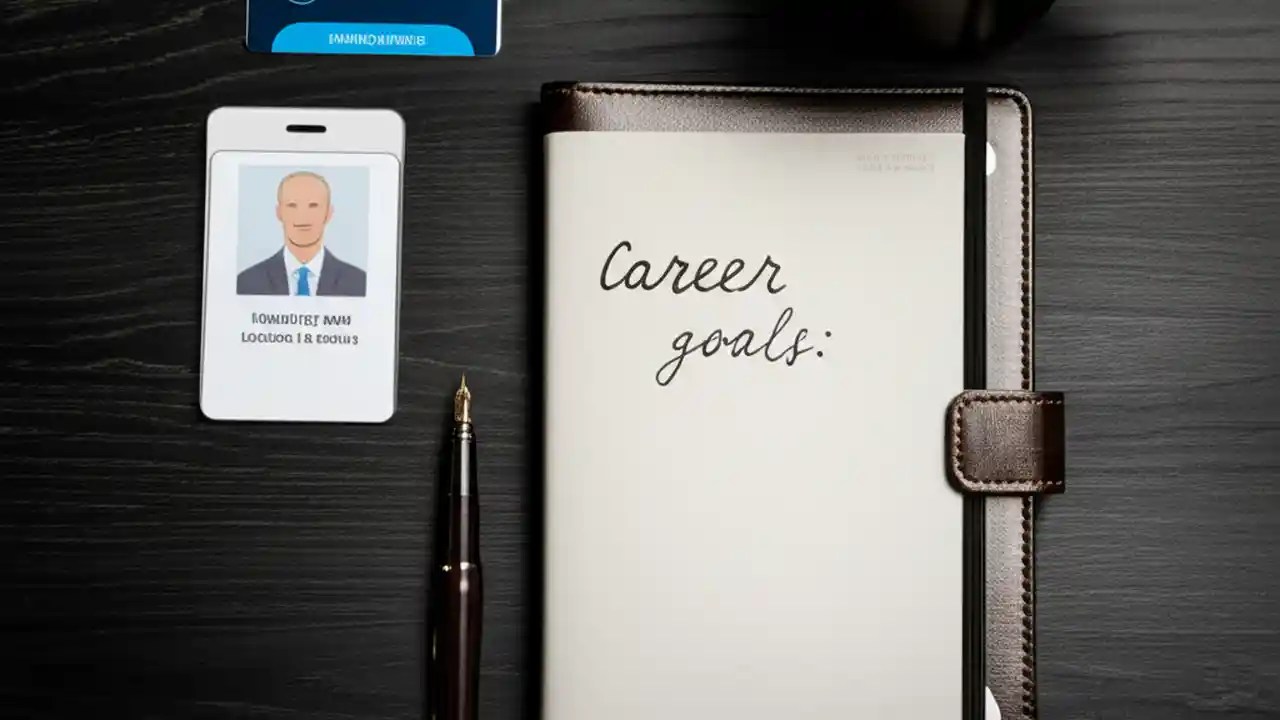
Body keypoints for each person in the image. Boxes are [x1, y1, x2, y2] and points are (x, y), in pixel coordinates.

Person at [237, 171, 367, 297]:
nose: (303, 216)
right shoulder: (247, 283)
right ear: (279, 212)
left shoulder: (359, 284)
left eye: (313, 205)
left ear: (329, 213)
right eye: (292, 205)